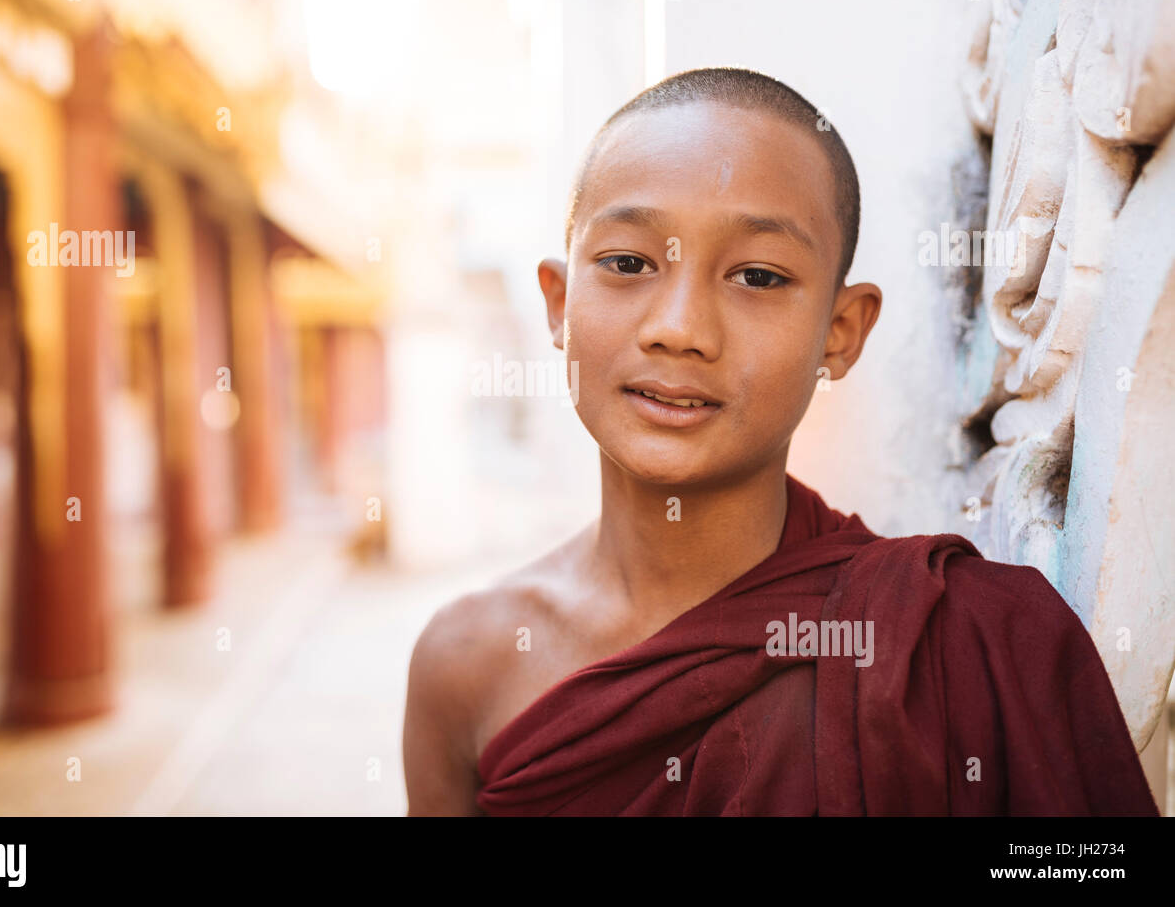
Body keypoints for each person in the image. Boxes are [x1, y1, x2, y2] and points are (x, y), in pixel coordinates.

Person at [402, 67, 1159, 816]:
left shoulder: (979, 642)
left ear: (841, 332)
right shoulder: (467, 665)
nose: (679, 328)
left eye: (758, 276)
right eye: (628, 263)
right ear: (561, 305)